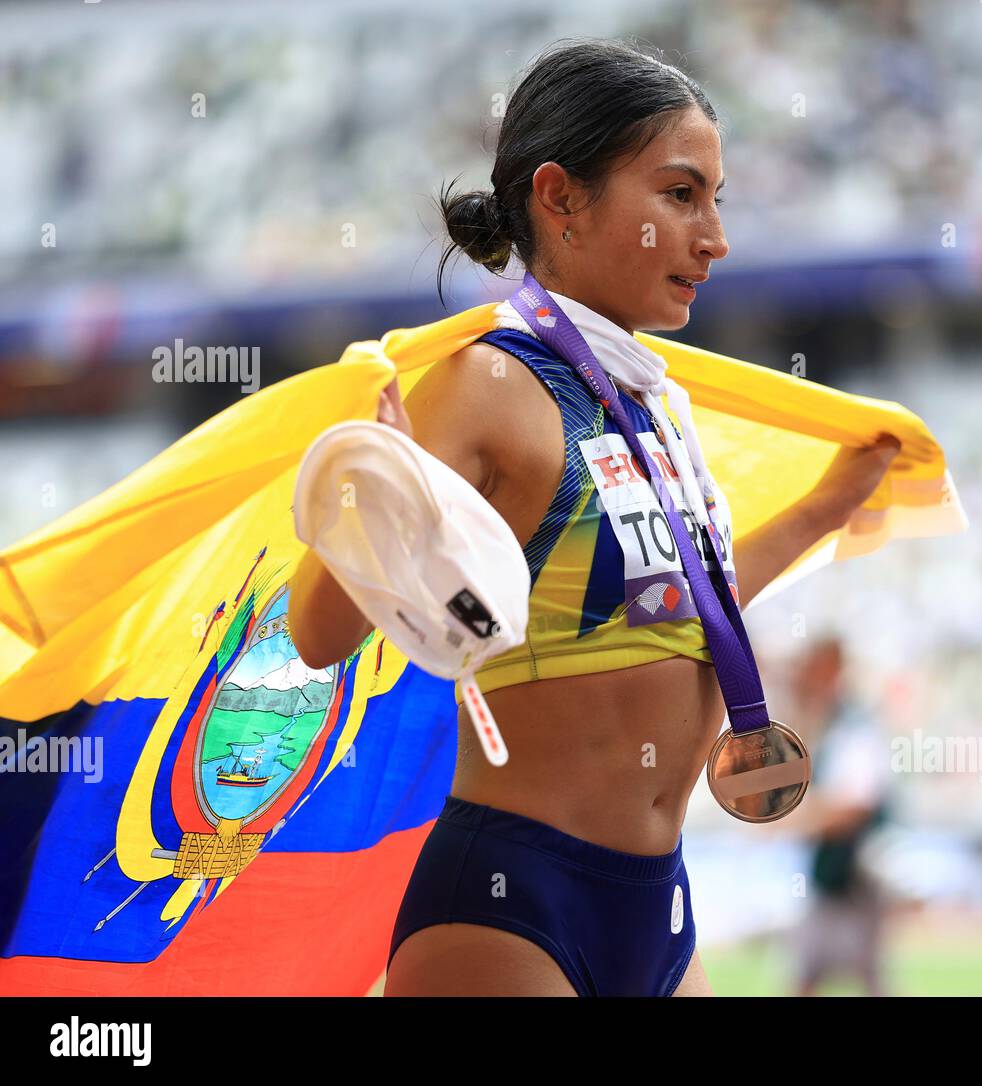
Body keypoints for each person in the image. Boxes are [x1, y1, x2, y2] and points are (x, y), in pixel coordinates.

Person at [288, 37, 900, 997]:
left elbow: (686, 604)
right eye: (680, 194)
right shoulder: (485, 383)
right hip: (510, 906)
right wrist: (380, 492)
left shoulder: (653, 401)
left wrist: (826, 505)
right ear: (560, 198)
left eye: (717, 199)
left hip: (658, 905)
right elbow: (316, 634)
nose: (715, 236)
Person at [785, 636, 893, 996]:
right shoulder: (831, 724)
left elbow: (854, 808)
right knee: (813, 975)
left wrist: (797, 822)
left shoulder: (853, 727)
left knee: (861, 976)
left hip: (854, 881)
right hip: (834, 880)